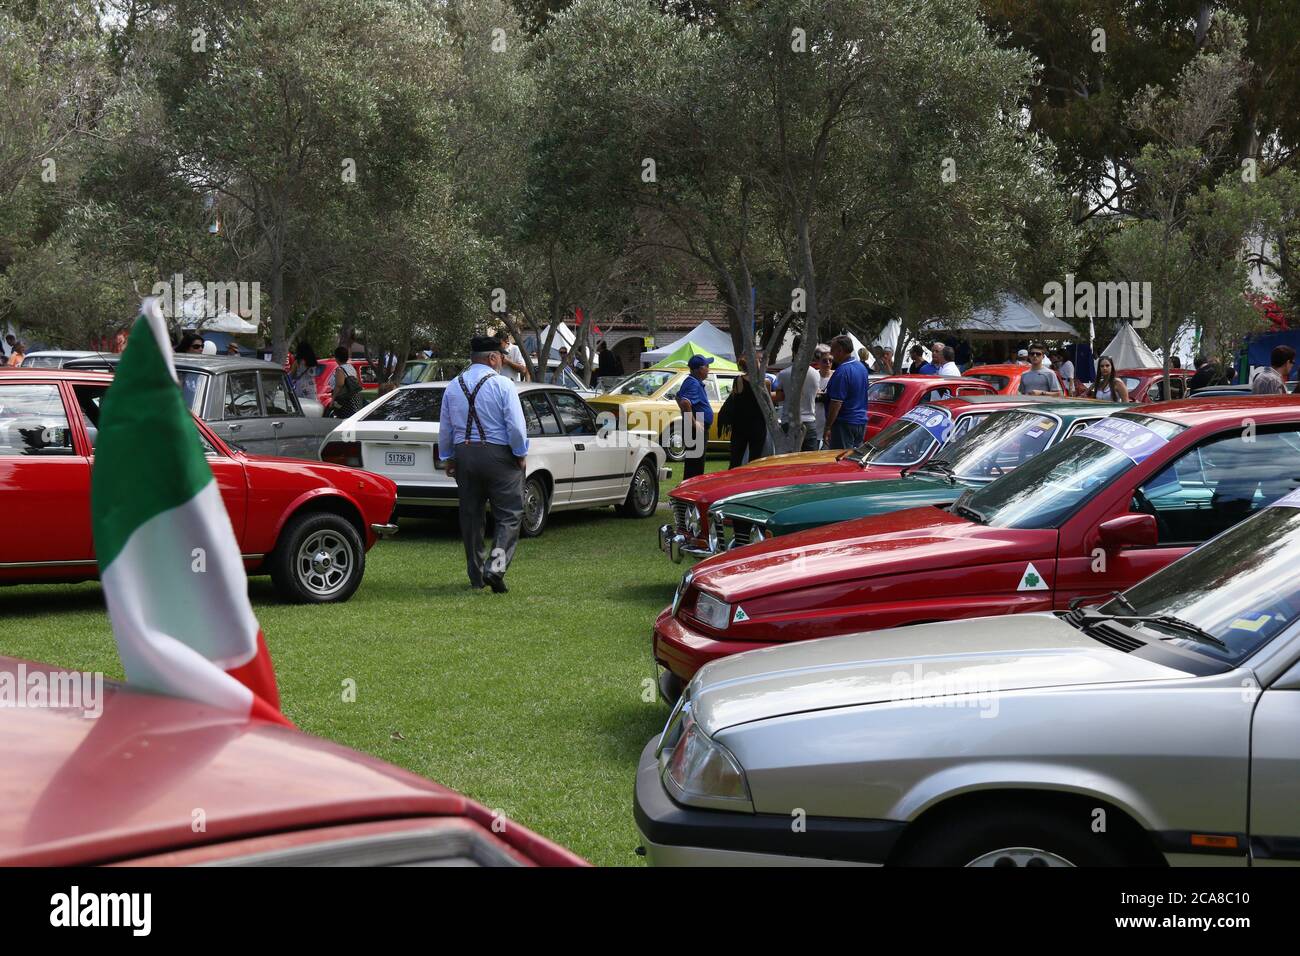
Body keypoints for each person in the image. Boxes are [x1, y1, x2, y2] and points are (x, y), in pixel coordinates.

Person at [439, 336, 528, 593]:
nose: (502, 361)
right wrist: (520, 452)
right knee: (509, 516)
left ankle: (476, 575)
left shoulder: (453, 386)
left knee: (470, 516)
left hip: (465, 455)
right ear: (492, 358)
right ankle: (495, 568)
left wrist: (448, 457)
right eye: (501, 356)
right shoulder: (503, 385)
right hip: (499, 455)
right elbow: (515, 426)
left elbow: (446, 427)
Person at [718, 357, 768, 468]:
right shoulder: (764, 382)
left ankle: (732, 480)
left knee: (736, 458)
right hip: (757, 425)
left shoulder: (738, 380)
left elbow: (735, 398)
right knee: (755, 459)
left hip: (740, 424)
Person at [773, 337, 821, 451]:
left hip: (789, 422)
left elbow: (780, 396)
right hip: (809, 421)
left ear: (793, 351)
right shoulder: (815, 374)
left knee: (789, 460)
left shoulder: (783, 374)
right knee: (808, 463)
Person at [823, 335, 869, 449]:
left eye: (833, 350)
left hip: (844, 424)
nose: (831, 354)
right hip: (860, 422)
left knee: (841, 462)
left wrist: (828, 427)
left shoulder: (842, 371)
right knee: (853, 461)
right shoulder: (861, 368)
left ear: (840, 350)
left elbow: (836, 403)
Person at [676, 353, 714, 480]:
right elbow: (685, 402)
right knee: (696, 465)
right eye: (706, 366)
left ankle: (689, 490)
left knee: (694, 463)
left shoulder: (691, 381)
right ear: (699, 369)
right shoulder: (693, 383)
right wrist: (693, 423)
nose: (708, 369)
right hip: (696, 428)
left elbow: (678, 396)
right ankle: (691, 492)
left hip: (694, 426)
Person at [329, 345, 364, 418]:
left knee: (344, 420)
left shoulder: (340, 370)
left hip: (345, 400)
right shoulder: (351, 367)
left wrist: (333, 398)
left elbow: (339, 385)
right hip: (354, 397)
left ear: (337, 358)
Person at [811, 344, 833, 444]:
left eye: (830, 360)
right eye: (824, 360)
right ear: (818, 361)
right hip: (815, 420)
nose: (828, 363)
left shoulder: (837, 376)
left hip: (830, 423)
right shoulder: (812, 376)